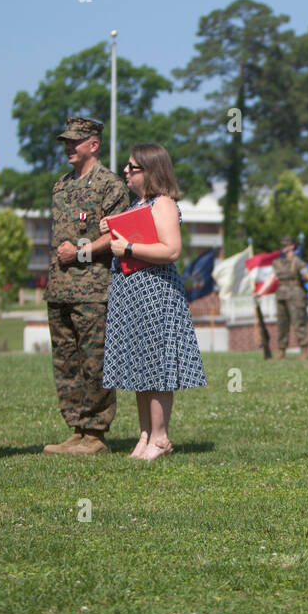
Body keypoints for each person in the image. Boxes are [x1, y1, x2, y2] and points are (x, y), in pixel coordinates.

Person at [99, 143, 206, 459]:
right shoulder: (137, 204)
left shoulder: (164, 204)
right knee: (139, 366)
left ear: (151, 170)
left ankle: (160, 437)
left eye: (132, 168)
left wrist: (128, 248)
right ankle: (145, 434)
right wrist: (111, 228)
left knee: (156, 367)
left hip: (155, 295)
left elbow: (171, 250)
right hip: (132, 295)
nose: (126, 172)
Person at [43, 117, 130, 456]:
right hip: (60, 288)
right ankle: (76, 428)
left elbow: (117, 236)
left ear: (93, 145)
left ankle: (95, 433)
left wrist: (80, 251)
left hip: (93, 290)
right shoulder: (61, 185)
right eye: (65, 141)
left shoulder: (110, 186)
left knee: (94, 362)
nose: (68, 146)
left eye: (74, 141)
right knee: (66, 362)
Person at [273, 234, 308, 358]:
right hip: (281, 294)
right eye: (283, 245)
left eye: (286, 245)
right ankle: (281, 350)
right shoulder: (277, 262)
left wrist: (299, 282)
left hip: (295, 295)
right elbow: (271, 278)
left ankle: (304, 349)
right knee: (282, 324)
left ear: (292, 246)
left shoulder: (298, 262)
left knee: (298, 322)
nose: (284, 247)